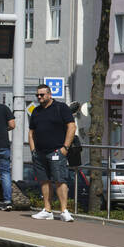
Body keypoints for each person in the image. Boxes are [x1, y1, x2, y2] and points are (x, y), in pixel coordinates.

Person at [27, 82, 76, 221]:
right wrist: (33, 150)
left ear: (49, 94)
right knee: (44, 181)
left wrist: (65, 148)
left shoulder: (61, 108)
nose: (39, 97)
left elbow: (72, 127)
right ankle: (47, 210)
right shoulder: (36, 111)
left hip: (56, 151)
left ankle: (64, 211)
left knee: (60, 180)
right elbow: (31, 133)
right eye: (37, 95)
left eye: (42, 95)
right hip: (39, 152)